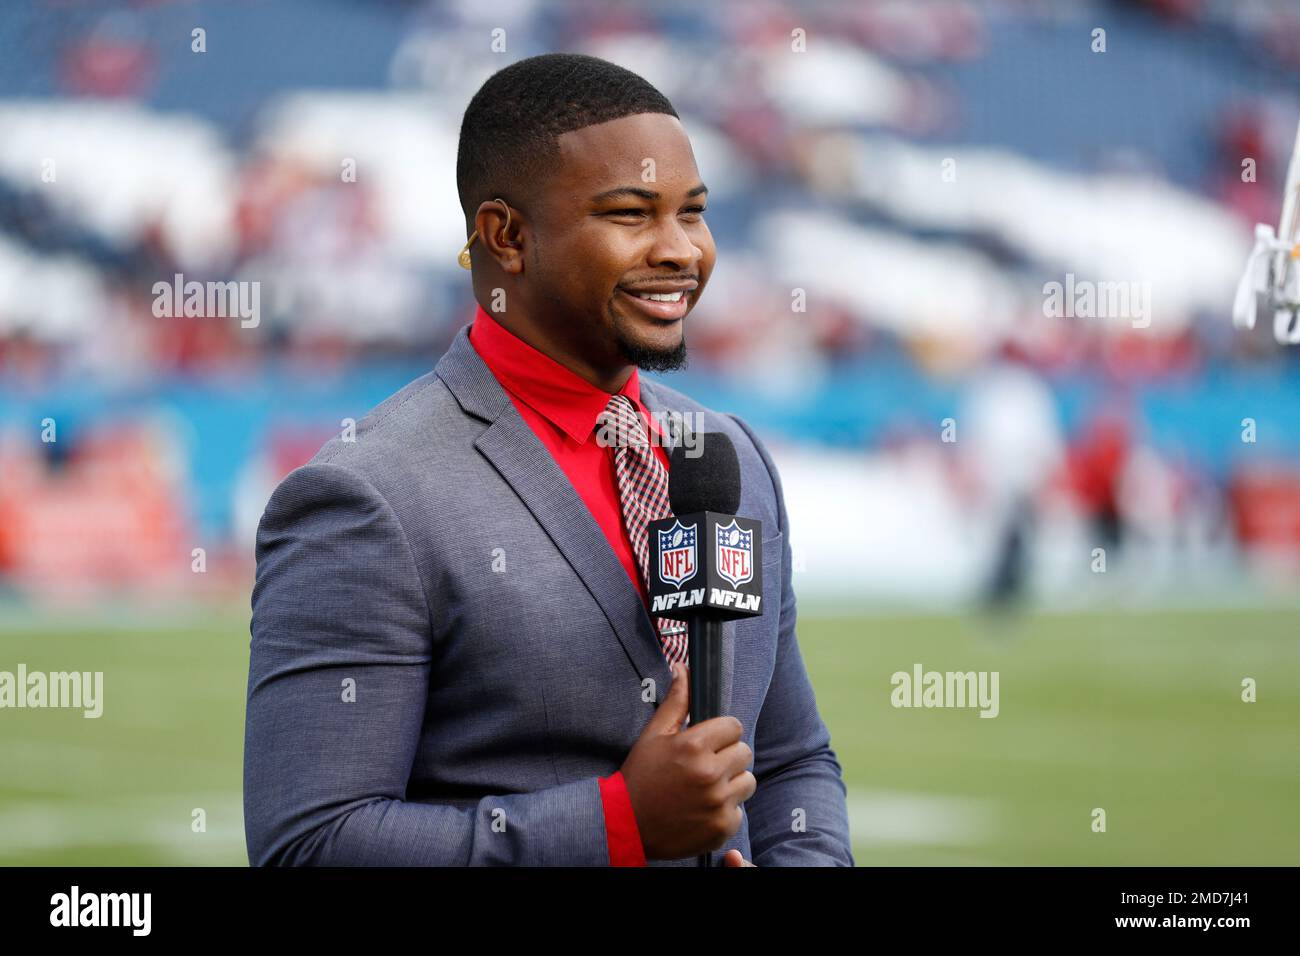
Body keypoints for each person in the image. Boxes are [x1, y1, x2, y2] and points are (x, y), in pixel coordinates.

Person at [243, 53, 852, 867]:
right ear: (508, 236)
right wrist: (619, 825)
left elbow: (789, 760)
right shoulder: (367, 496)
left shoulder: (726, 456)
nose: (681, 251)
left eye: (693, 213)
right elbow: (310, 846)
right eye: (633, 214)